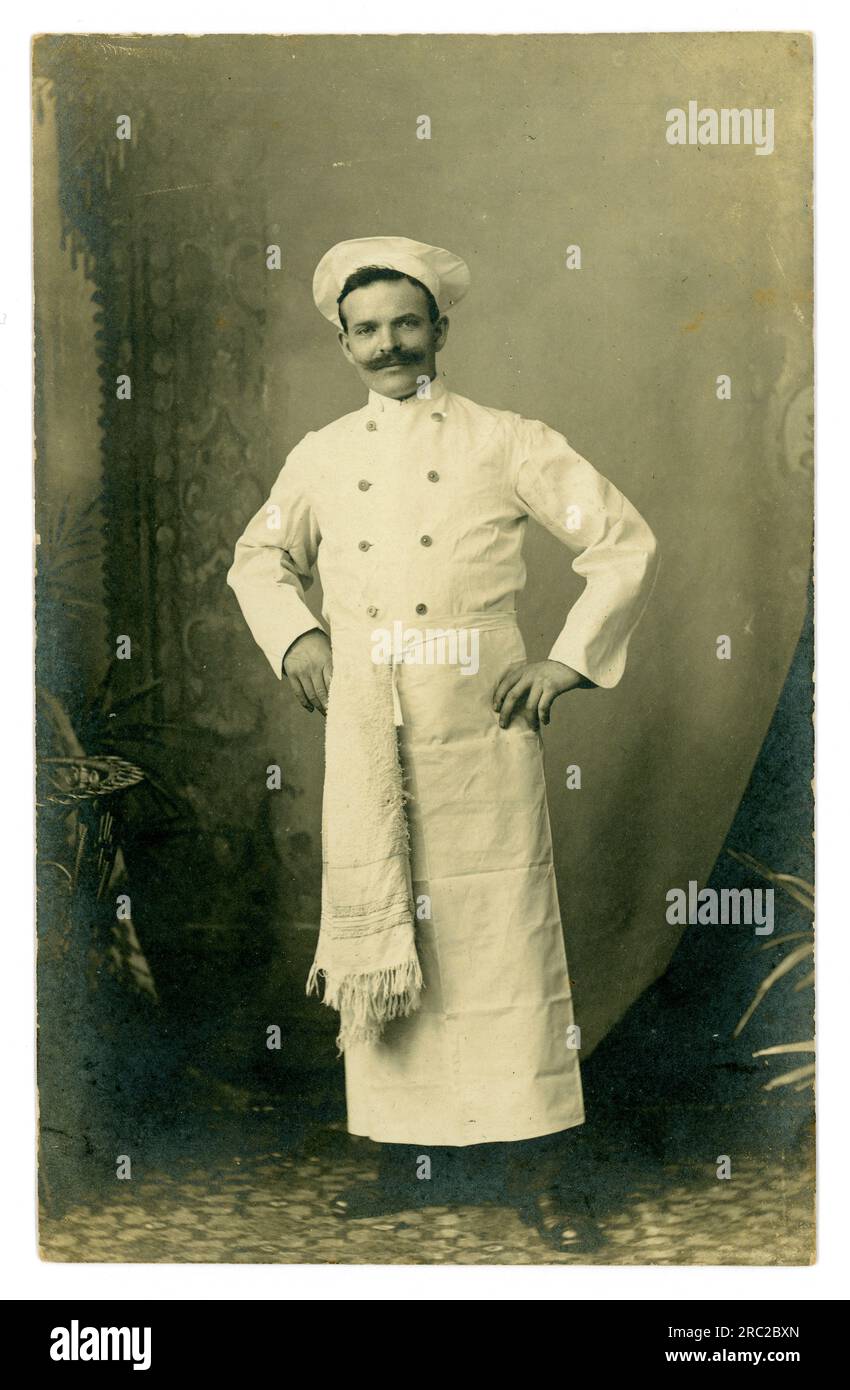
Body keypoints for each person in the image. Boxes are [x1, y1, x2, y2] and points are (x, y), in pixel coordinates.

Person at [227, 235, 659, 1251]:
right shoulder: (322, 456)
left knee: (500, 932)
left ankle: (542, 1161)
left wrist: (564, 661)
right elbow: (258, 560)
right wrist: (299, 637)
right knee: (387, 926)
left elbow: (620, 541)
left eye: (406, 323)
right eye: (366, 329)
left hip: (481, 721)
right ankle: (398, 1147)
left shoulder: (506, 440)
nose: (388, 344)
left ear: (440, 332)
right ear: (342, 343)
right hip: (369, 722)